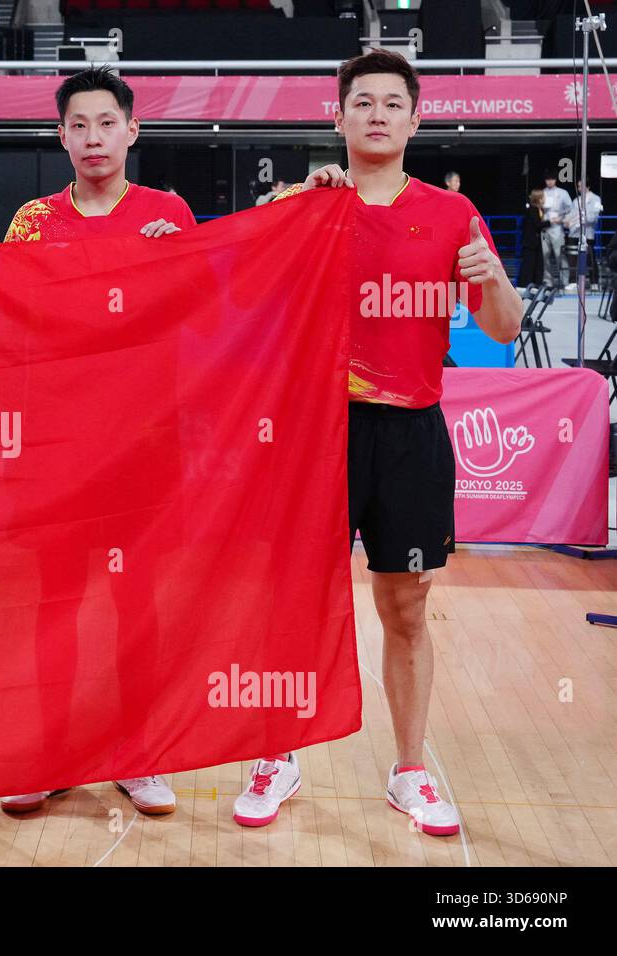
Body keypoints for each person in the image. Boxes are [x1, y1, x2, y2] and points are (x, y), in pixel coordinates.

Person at [235, 48, 522, 836]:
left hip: (409, 436)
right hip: (311, 436)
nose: (377, 115)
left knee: (406, 606)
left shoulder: (452, 215)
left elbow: (502, 325)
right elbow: (226, 277)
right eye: (362, 102)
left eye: (393, 103)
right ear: (337, 117)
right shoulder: (303, 203)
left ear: (415, 119)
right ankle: (276, 753)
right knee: (292, 603)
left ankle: (408, 770)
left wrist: (492, 277)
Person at [0, 67, 195, 817]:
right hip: (56, 449)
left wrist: (168, 268)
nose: (92, 138)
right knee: (53, 606)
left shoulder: (169, 214)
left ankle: (137, 752)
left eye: (106, 123)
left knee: (136, 604)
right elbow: (8, 323)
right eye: (78, 125)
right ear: (61, 136)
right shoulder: (32, 221)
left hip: (144, 449)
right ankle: (51, 753)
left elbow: (202, 314)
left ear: (131, 131)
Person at [564, 178, 603, 290]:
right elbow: (571, 214)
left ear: (588, 186)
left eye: (582, 186)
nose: (580, 188)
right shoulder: (576, 200)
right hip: (574, 233)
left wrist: (579, 220)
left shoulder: (596, 199)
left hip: (587, 233)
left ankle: (594, 282)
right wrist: (567, 221)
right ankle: (573, 281)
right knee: (573, 258)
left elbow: (592, 218)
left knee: (590, 258)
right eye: (579, 186)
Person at [542, 172, 573, 289]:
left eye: (552, 179)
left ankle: (564, 281)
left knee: (560, 255)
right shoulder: (542, 193)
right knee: (545, 256)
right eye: (547, 179)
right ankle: (547, 281)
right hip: (545, 227)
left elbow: (570, 209)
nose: (550, 181)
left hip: (557, 228)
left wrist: (562, 219)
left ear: (555, 180)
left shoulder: (562, 193)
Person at [518, 189, 546, 288]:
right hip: (530, 241)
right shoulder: (532, 209)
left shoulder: (539, 209)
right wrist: (550, 222)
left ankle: (537, 283)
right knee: (528, 264)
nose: (544, 199)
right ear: (539, 199)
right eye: (543, 197)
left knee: (538, 263)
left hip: (535, 241)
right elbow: (536, 225)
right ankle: (524, 284)